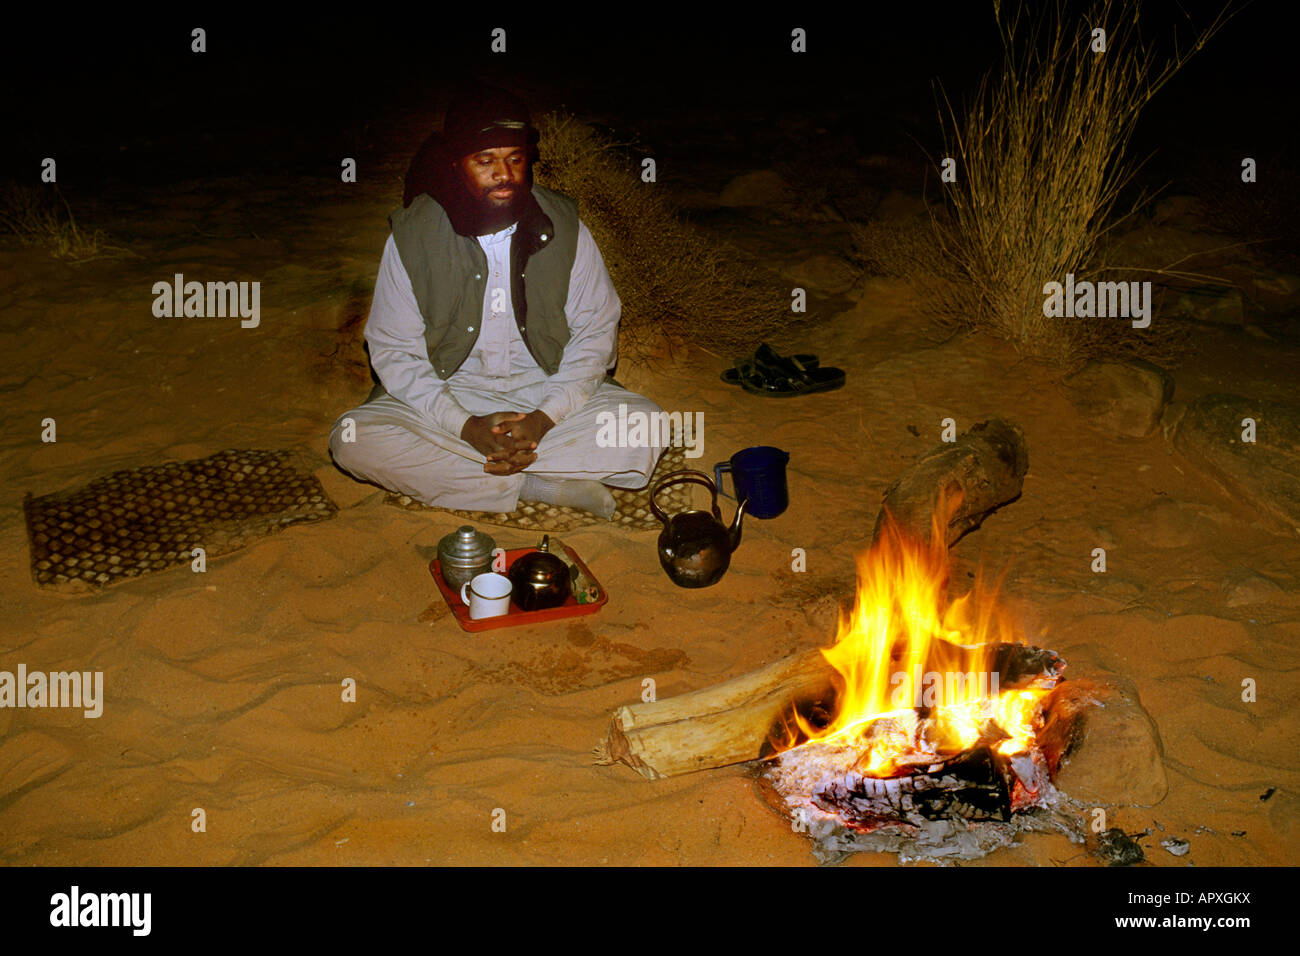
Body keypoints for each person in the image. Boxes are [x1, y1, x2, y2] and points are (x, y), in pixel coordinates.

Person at [329, 86, 664, 518]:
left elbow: (596, 335)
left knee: (646, 425)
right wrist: (465, 426)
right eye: (485, 161)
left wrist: (541, 421)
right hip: (449, 395)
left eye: (515, 158)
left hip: (547, 393)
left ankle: (474, 476)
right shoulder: (415, 235)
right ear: (456, 165)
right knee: (353, 439)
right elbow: (394, 351)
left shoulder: (565, 226)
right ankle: (536, 484)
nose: (504, 174)